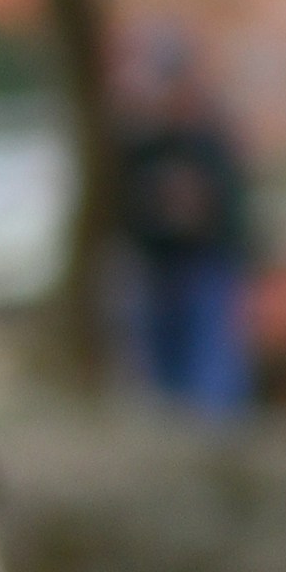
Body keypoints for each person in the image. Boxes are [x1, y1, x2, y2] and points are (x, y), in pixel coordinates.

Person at [114, 28, 255, 414]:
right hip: (156, 266)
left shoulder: (210, 139)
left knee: (212, 359)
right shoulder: (139, 144)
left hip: (206, 263)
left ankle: (215, 424)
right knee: (161, 364)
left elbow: (232, 204)